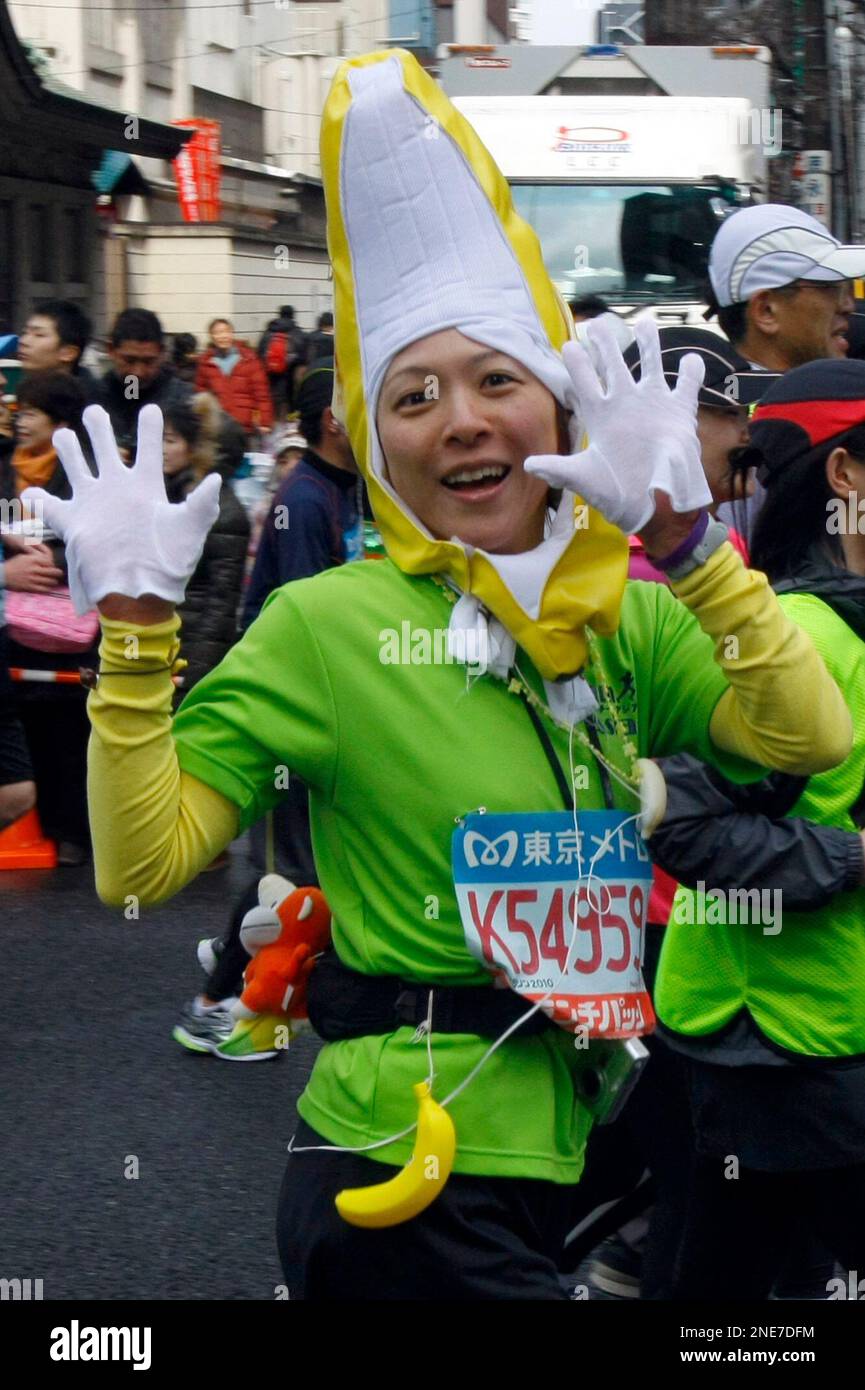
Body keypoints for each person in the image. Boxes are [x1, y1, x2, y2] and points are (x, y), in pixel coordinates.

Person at [28, 50, 852, 1302]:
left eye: (496, 379)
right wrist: (136, 633)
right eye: (414, 393)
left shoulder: (623, 617)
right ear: (373, 445)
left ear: (559, 409)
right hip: (396, 1163)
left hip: (572, 1139)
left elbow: (808, 738)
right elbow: (142, 867)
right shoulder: (326, 623)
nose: (460, 418)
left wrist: (688, 549)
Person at [650, 358, 865, 1300]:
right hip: (776, 1044)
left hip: (823, 1042)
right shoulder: (804, 637)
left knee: (730, 1287)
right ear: (845, 477)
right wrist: (854, 859)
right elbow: (680, 825)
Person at [172, 363, 359, 1060]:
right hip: (292, 706)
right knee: (287, 872)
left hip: (320, 704)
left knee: (301, 868)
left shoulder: (348, 488)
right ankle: (213, 1003)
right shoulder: (306, 499)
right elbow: (319, 623)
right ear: (332, 422)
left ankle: (233, 948)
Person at [1, 370, 93, 864]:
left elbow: (96, 535)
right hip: (13, 620)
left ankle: (72, 831)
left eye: (31, 413)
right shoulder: (5, 466)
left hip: (68, 624)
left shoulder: (82, 470)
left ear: (58, 422)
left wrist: (51, 563)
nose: (21, 421)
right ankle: (29, 828)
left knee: (68, 734)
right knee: (26, 724)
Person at [242, 360, 360, 629]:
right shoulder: (303, 502)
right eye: (362, 408)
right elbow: (307, 617)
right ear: (333, 421)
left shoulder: (351, 481)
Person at [162, 393, 250, 697]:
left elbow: (221, 604)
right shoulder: (167, 496)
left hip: (185, 658)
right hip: (156, 646)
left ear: (197, 448)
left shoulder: (225, 513)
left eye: (171, 441)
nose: (162, 450)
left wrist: (195, 673)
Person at [707, 203, 865, 372]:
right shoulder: (750, 397)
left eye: (846, 286)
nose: (849, 305)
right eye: (830, 286)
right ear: (766, 311)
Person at [91, 308, 192, 453]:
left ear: (162, 353)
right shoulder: (92, 396)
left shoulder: (183, 399)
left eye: (148, 362)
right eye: (129, 360)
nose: (138, 372)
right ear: (111, 350)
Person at [194, 319, 273, 436]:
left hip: (246, 428)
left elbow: (261, 394)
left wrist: (264, 422)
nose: (223, 336)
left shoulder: (249, 359)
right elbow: (201, 395)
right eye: (217, 333)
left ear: (232, 333)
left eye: (226, 331)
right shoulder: (206, 363)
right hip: (219, 427)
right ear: (211, 336)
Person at [18, 300, 95, 395]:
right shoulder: (26, 393)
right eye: (25, 332)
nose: (23, 341)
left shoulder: (90, 403)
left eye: (39, 335)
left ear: (69, 353)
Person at [258, 306, 307, 417]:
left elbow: (260, 351)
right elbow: (302, 355)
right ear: (293, 315)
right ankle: (287, 420)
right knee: (288, 398)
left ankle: (273, 417)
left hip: (270, 372)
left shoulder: (268, 331)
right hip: (289, 373)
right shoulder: (297, 332)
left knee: (273, 396)